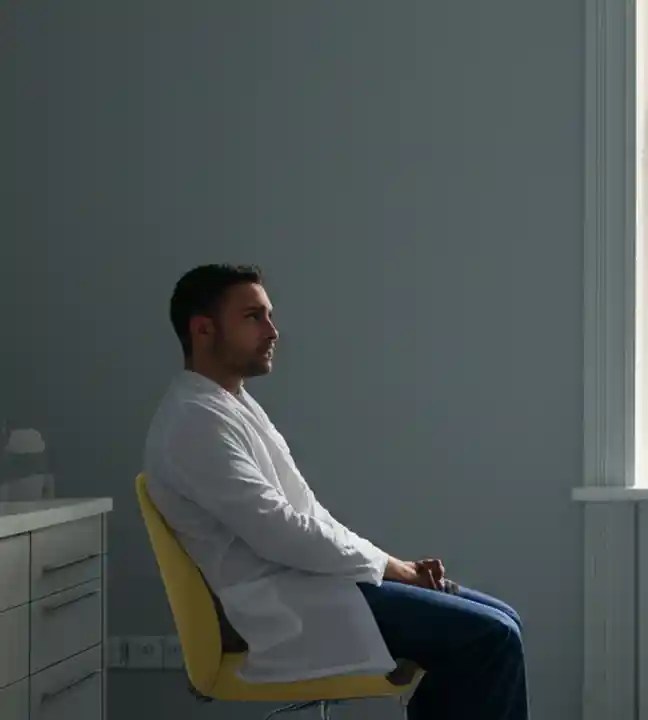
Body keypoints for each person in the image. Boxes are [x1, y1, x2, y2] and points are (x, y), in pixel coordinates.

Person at [143, 264, 527, 720]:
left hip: (314, 583)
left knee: (505, 619)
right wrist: (392, 569)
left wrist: (390, 567)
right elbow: (280, 532)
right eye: (253, 317)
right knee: (492, 636)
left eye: (269, 315)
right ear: (203, 330)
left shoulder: (228, 405)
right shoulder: (195, 422)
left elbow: (307, 515)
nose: (272, 331)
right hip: (284, 606)